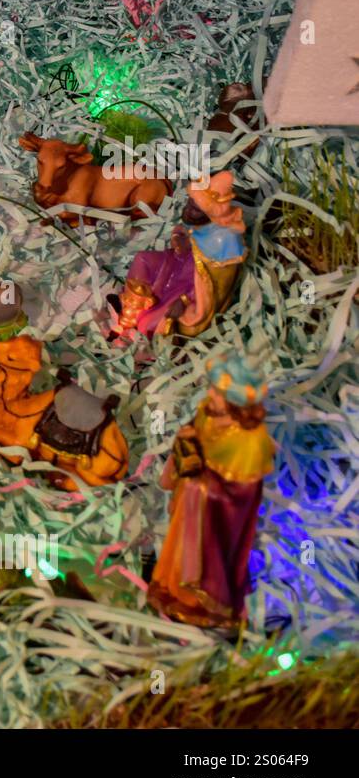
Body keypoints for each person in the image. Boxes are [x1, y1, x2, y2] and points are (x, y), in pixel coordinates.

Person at [147, 355, 275, 629]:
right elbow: (198, 434)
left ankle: (203, 602)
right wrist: (186, 440)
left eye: (217, 392)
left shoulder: (251, 443)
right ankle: (172, 590)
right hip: (189, 507)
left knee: (203, 559)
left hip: (214, 520)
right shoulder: (208, 411)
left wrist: (201, 487)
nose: (210, 394)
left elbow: (241, 496)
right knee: (177, 553)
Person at [112, 171, 246, 338]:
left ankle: (138, 320)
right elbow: (191, 234)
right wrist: (180, 239)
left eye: (195, 210)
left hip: (191, 288)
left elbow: (211, 289)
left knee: (148, 323)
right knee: (143, 259)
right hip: (179, 263)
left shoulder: (222, 241)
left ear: (211, 214)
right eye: (189, 203)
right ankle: (131, 308)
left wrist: (184, 302)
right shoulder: (202, 222)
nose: (188, 211)